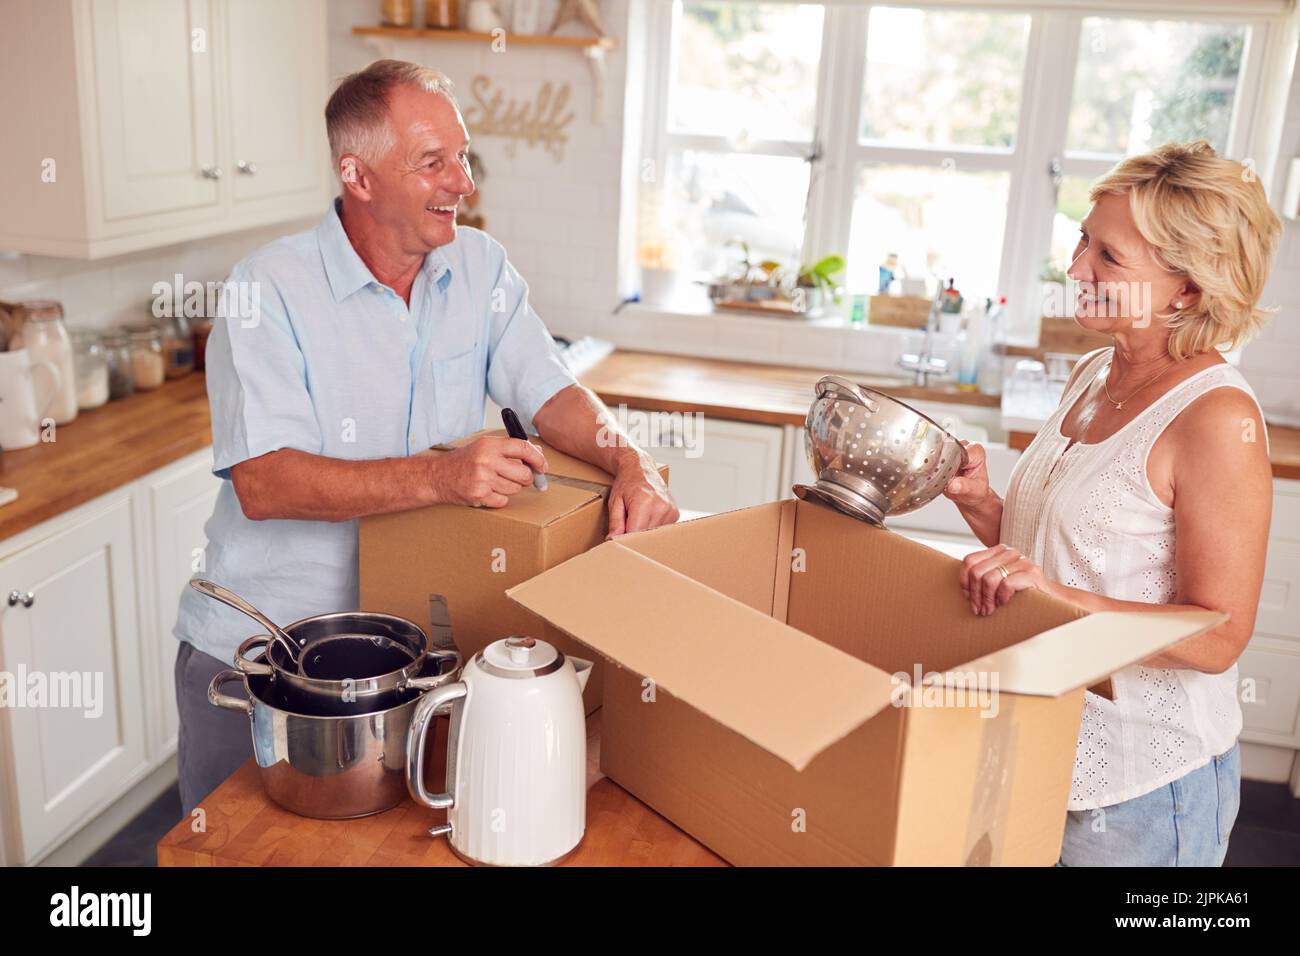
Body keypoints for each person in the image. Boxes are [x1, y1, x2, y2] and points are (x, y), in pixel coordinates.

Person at [171, 60, 677, 816]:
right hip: (271, 664)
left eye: (462, 156)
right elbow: (265, 483)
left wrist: (630, 459)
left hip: (410, 663)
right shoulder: (264, 291)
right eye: (432, 162)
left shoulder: (480, 267)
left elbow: (551, 391)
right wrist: (441, 477)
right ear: (359, 174)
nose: (463, 182)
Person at [943, 141, 1281, 865]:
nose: (1074, 270)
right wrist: (982, 507)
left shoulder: (1216, 419)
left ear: (1185, 289)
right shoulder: (1099, 369)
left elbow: (1219, 638)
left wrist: (1057, 597)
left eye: (1108, 258)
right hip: (1043, 747)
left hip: (1145, 789)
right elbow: (1071, 566)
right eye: (1081, 242)